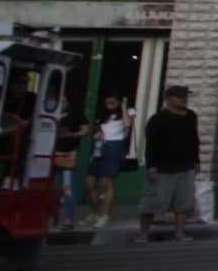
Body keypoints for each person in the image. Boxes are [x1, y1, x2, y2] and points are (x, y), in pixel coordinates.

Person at [139, 85, 201, 241]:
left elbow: (194, 140)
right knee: (152, 201)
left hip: (185, 165)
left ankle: (179, 232)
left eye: (185, 97)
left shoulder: (191, 116)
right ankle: (144, 233)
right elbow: (151, 144)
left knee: (184, 201)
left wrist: (196, 160)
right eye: (180, 97)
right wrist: (151, 165)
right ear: (168, 99)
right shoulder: (158, 119)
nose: (184, 100)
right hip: (163, 167)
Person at [86, 94, 131, 228]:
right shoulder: (103, 116)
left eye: (112, 102)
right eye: (107, 103)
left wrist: (124, 105)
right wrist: (96, 136)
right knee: (89, 182)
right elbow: (97, 131)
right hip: (100, 147)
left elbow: (128, 124)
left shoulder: (126, 113)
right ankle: (95, 212)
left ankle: (105, 215)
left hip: (113, 147)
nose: (109, 105)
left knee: (107, 183)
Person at [52, 98, 91, 229]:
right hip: (49, 155)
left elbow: (86, 130)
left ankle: (68, 219)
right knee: (48, 188)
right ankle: (51, 219)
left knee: (67, 188)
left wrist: (72, 134)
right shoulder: (50, 114)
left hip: (68, 155)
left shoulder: (76, 115)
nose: (62, 103)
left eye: (64, 101)